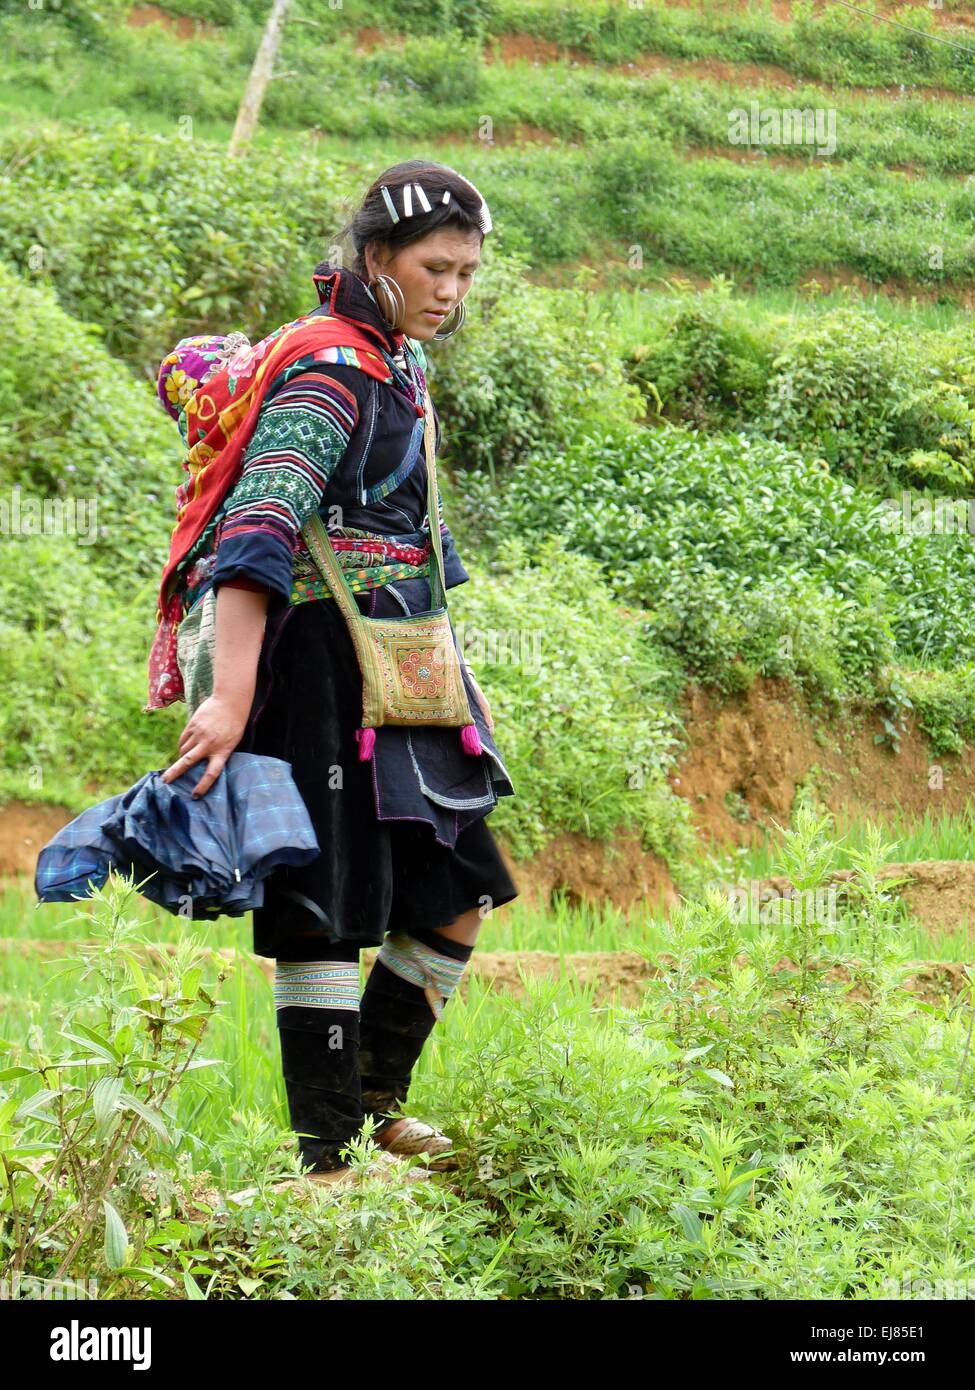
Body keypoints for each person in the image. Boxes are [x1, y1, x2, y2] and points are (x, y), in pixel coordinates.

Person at [153, 161, 519, 1188]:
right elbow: (260, 530)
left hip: (398, 663)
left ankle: (367, 1099)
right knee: (322, 903)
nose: (452, 289)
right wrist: (228, 697)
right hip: (312, 662)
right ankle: (325, 1159)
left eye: (467, 272)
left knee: (461, 889)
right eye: (435, 267)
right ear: (374, 259)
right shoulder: (332, 372)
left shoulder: (397, 364)